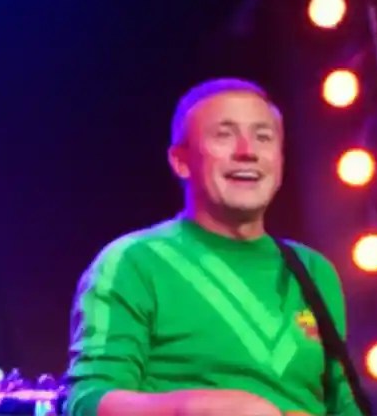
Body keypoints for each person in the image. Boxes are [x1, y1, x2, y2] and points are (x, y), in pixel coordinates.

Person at [63, 77, 360, 416]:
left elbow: (345, 405)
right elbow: (86, 403)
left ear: (279, 163)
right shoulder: (134, 262)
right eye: (224, 134)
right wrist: (195, 408)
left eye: (263, 137)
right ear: (181, 161)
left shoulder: (313, 270)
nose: (247, 151)